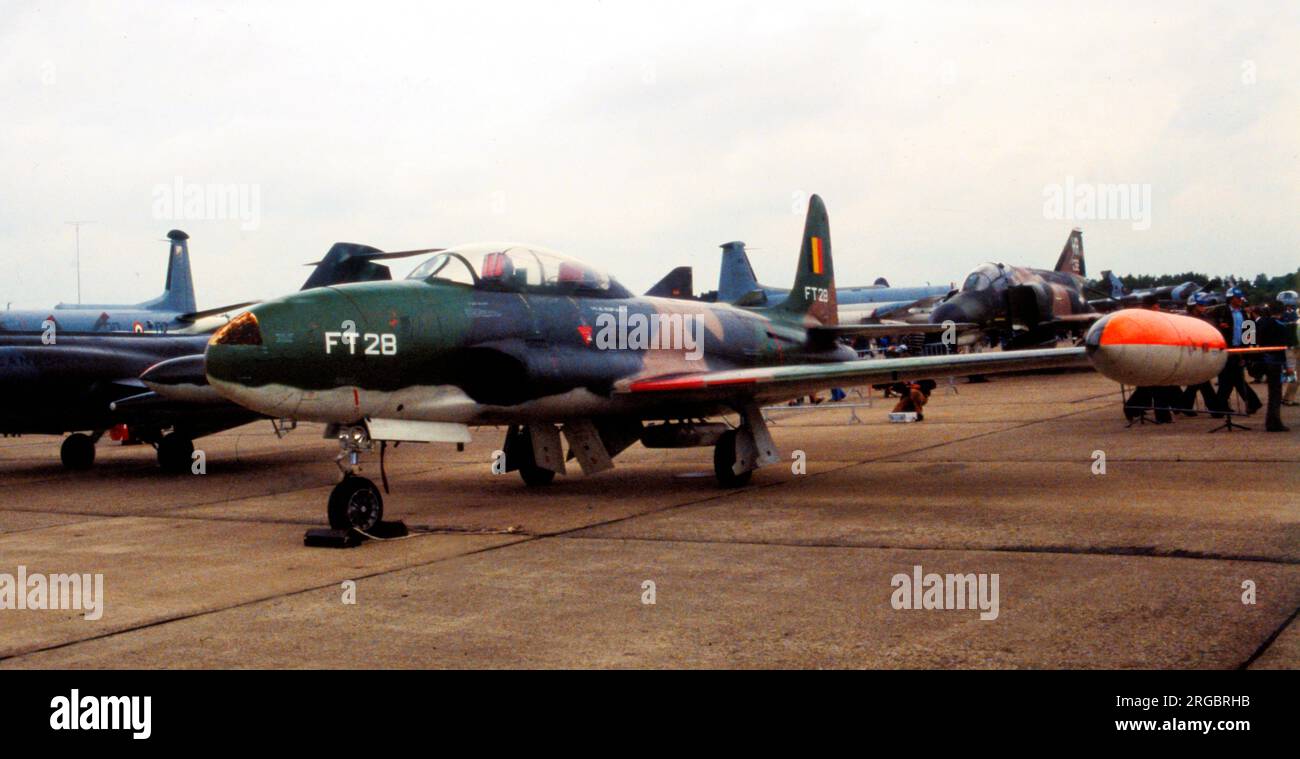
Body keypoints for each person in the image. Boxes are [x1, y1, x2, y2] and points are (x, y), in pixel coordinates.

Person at [1213, 287, 1263, 415]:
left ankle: (1219, 407)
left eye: (1241, 297)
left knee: (1231, 379)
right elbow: (1213, 326)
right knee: (1230, 379)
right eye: (1237, 298)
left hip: (1239, 350)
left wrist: (1247, 352)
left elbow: (1249, 332)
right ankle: (1250, 403)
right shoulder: (1221, 311)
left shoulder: (1245, 313)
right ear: (1231, 298)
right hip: (1225, 349)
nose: (1240, 300)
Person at [1254, 303, 1292, 432]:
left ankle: (1272, 421)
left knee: (1272, 393)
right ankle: (1274, 422)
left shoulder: (1260, 323)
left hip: (1263, 360)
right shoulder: (1281, 326)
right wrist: (1288, 367)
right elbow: (1284, 349)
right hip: (1276, 362)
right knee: (1276, 393)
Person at [1280, 291, 1299, 406]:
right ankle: (1288, 398)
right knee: (1292, 373)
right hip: (1291, 347)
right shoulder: (1294, 314)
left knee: (1293, 374)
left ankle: (1288, 397)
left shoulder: (1282, 315)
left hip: (1290, 347)